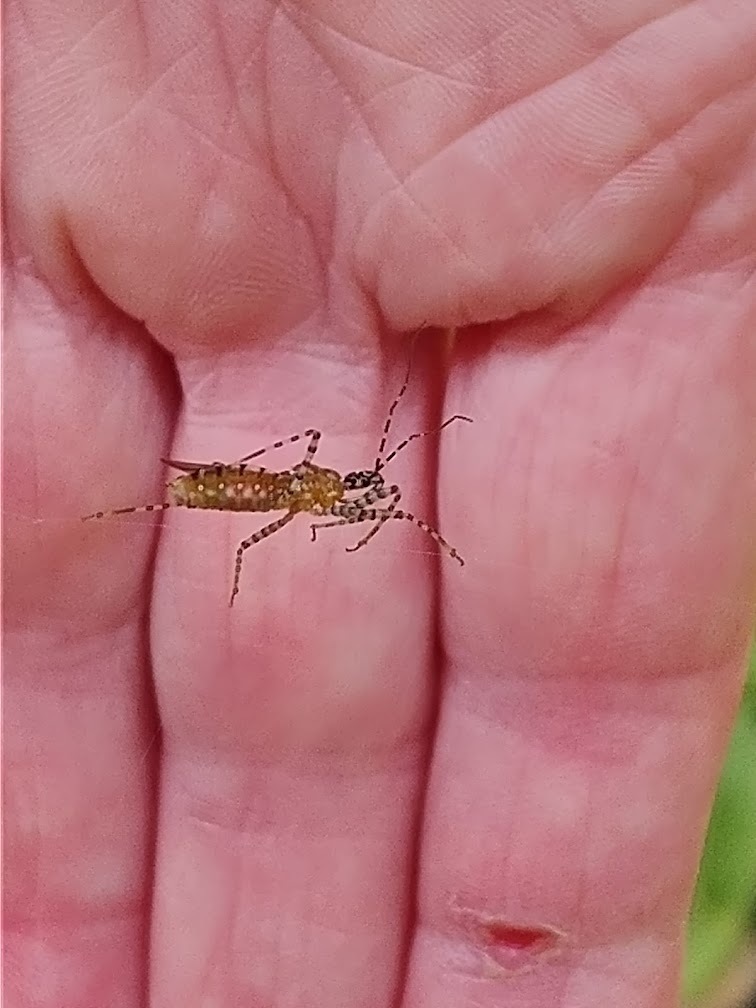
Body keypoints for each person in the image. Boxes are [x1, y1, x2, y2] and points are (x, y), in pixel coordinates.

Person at [5, 2, 755, 1005]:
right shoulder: (321, 485)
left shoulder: (346, 488)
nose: (377, 499)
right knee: (163, 515)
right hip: (238, 494)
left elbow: (364, 501)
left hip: (258, 490)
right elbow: (342, 498)